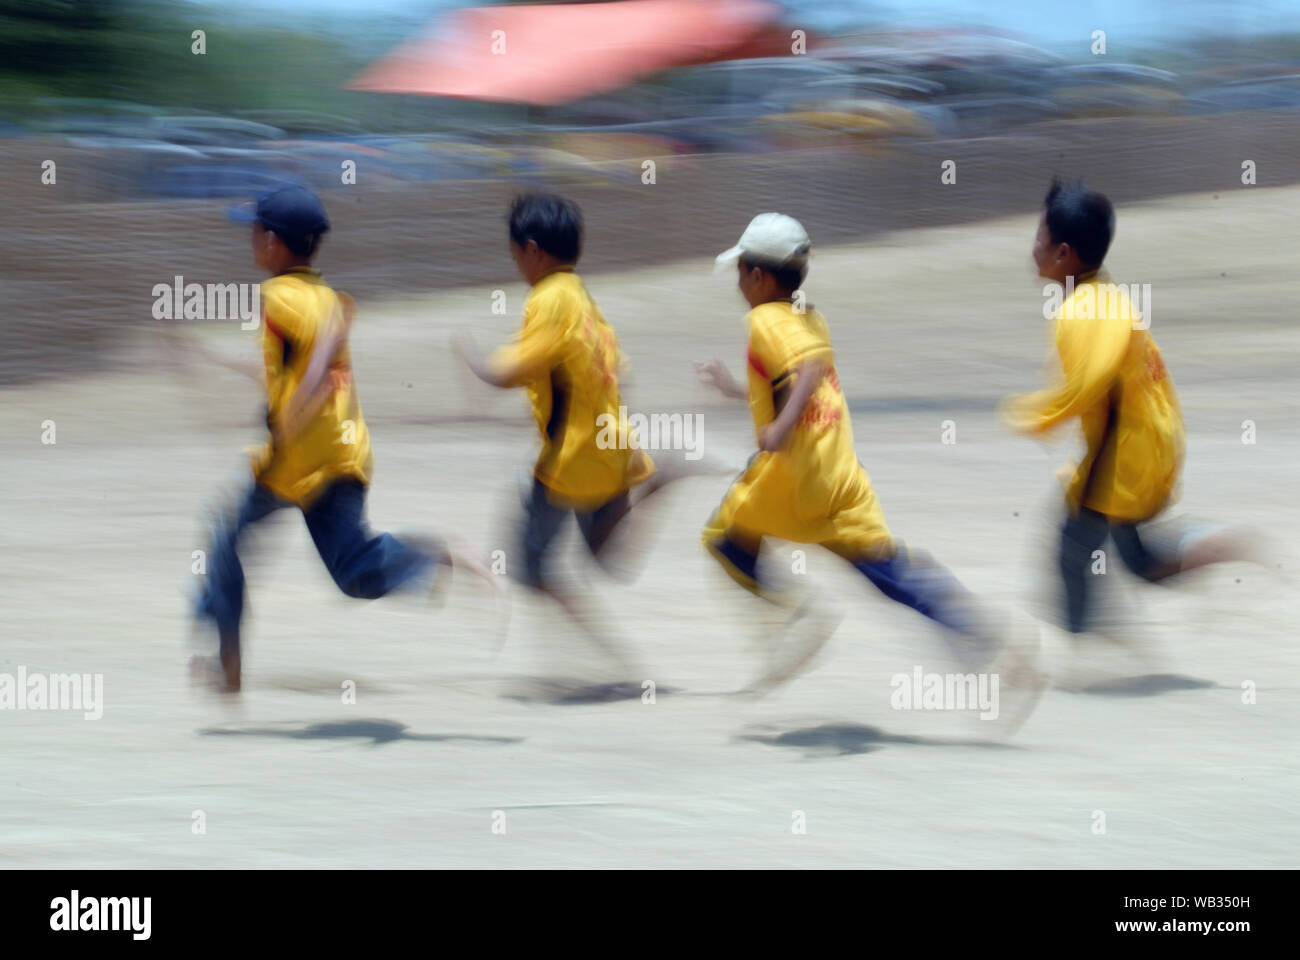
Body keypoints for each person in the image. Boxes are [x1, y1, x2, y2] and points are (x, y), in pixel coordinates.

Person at [697, 213, 1042, 701]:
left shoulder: (762, 322)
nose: (737, 284)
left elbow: (807, 373)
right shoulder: (810, 314)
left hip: (798, 476)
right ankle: (991, 638)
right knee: (889, 574)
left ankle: (797, 619)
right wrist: (737, 389)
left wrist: (777, 428)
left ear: (759, 276)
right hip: (841, 473)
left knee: (724, 539)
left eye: (740, 273)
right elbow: (798, 377)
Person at [191, 183, 487, 693]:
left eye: (255, 231)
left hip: (297, 462)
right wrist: (229, 366)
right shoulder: (323, 298)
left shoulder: (276, 298)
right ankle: (431, 554)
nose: (251, 240)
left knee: (224, 541)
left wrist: (289, 412)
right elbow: (298, 367)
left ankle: (229, 666)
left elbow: (307, 370)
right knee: (354, 574)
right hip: (344, 456)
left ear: (274, 243)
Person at [1004, 179, 1259, 641]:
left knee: (1069, 547)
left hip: (1122, 453)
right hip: (1150, 438)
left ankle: (1076, 650)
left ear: (1063, 254)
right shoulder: (1105, 293)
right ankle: (1206, 544)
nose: (1033, 248)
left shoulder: (1081, 310)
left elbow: (1089, 383)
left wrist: (1035, 415)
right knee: (1139, 560)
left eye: (1039, 238)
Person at [454, 193, 673, 685]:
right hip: (612, 446)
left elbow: (505, 372)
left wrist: (471, 359)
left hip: (569, 459)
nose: (517, 267)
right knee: (602, 557)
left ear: (532, 250)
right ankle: (653, 489)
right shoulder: (583, 298)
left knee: (528, 567)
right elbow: (615, 370)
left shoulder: (548, 299)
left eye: (515, 257)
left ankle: (602, 661)